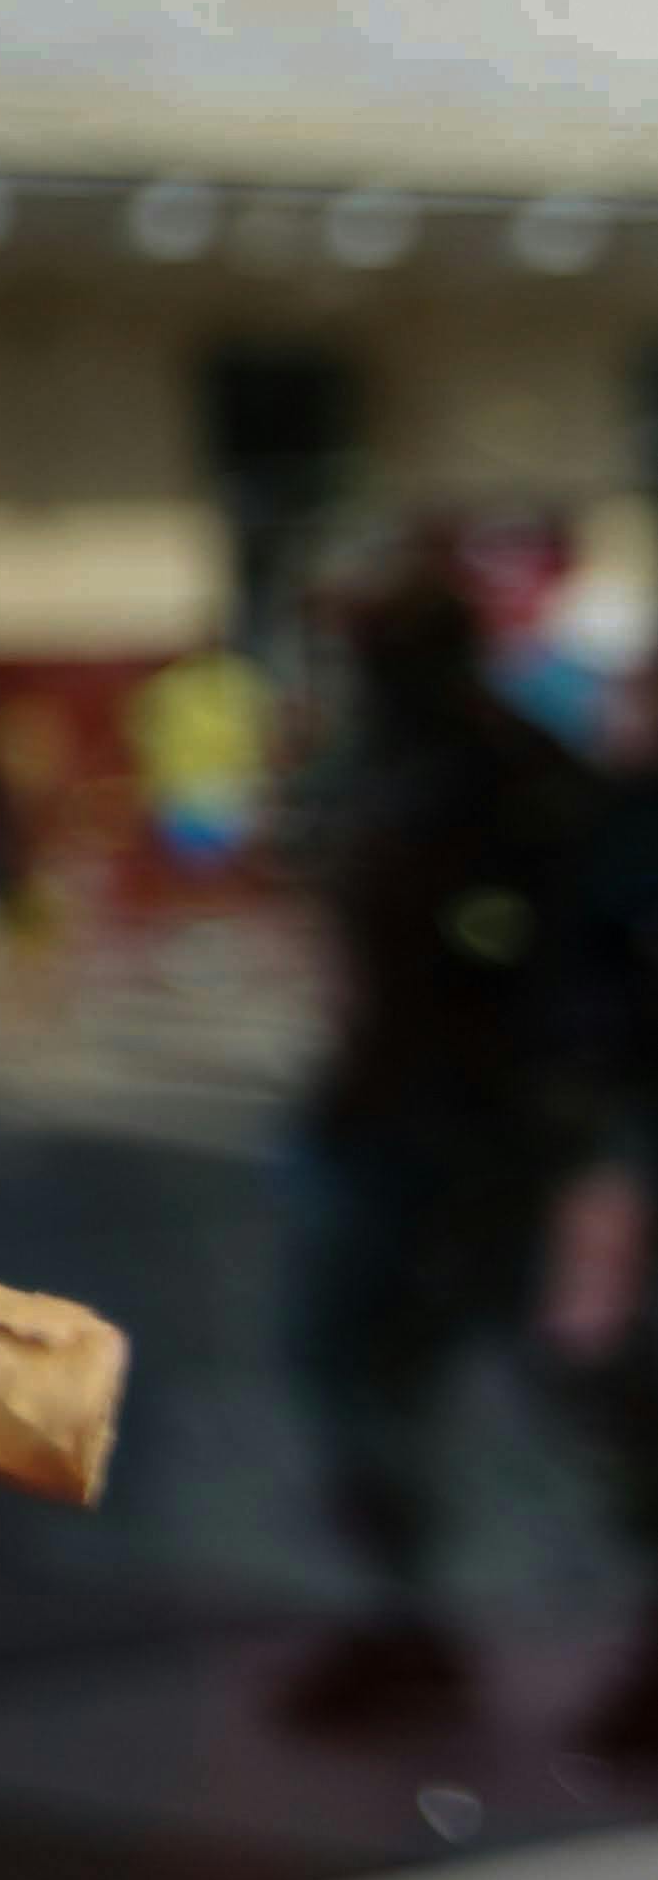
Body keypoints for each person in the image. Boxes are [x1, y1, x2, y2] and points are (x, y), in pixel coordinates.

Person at [272, 538, 611, 1737]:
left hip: (486, 1136)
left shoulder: (518, 781)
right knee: (360, 1376)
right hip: (387, 1129)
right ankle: (401, 1620)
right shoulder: (387, 772)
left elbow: (564, 970)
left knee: (573, 1381)